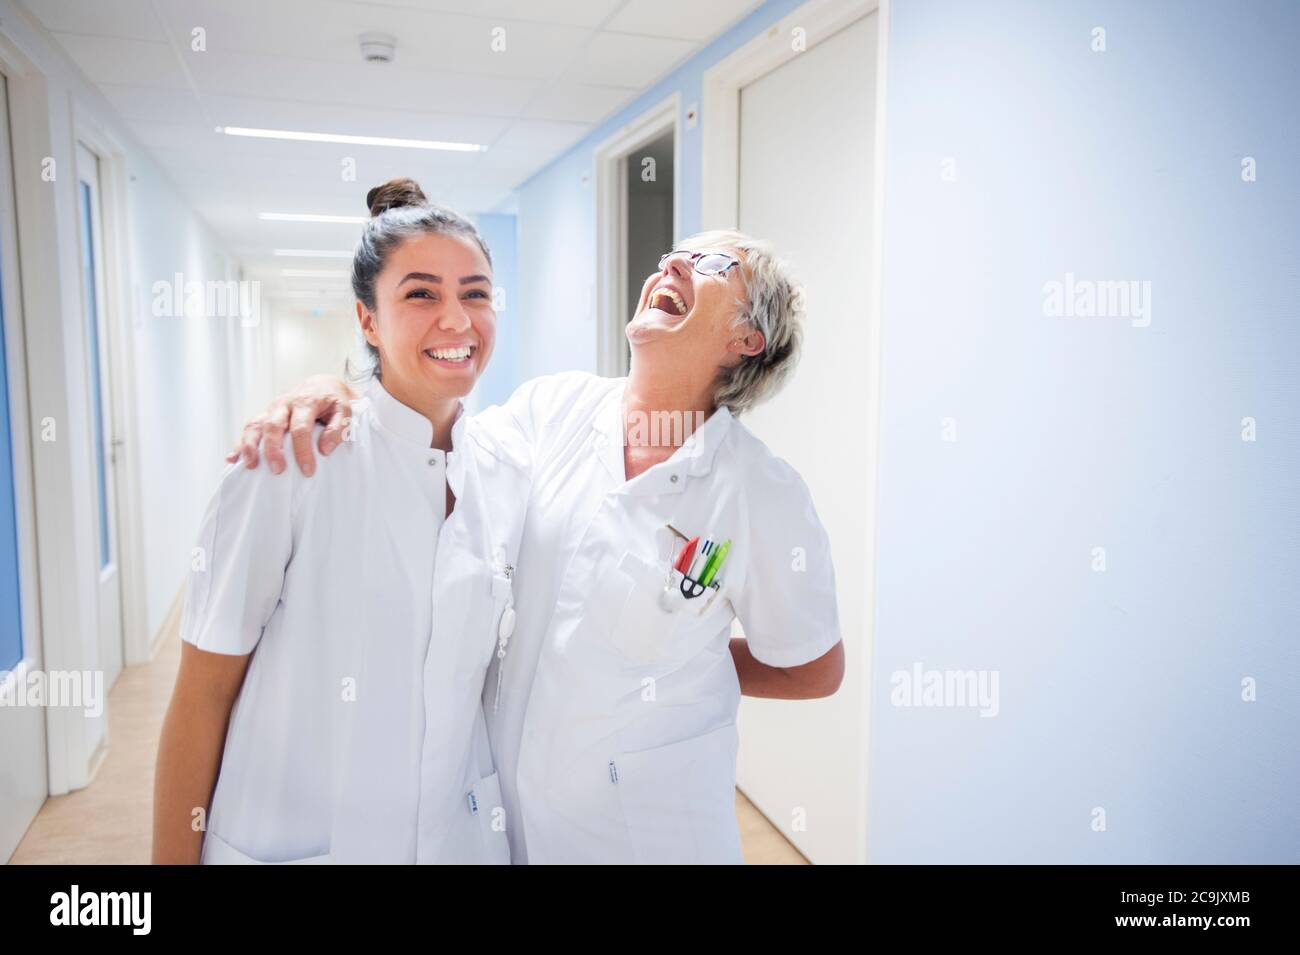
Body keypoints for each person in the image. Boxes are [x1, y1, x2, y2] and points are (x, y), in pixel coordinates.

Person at [229, 229, 844, 864]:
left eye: (712, 263)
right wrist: (339, 389)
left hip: (654, 836)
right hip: (509, 825)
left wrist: (688, 665)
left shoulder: (759, 492)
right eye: (669, 257)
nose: (675, 265)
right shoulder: (554, 409)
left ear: (749, 338)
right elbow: (435, 440)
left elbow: (813, 667)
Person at [153, 178, 528, 864]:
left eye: (475, 293)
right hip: (292, 839)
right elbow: (201, 696)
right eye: (421, 293)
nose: (456, 319)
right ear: (368, 320)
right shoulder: (290, 461)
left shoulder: (507, 471)